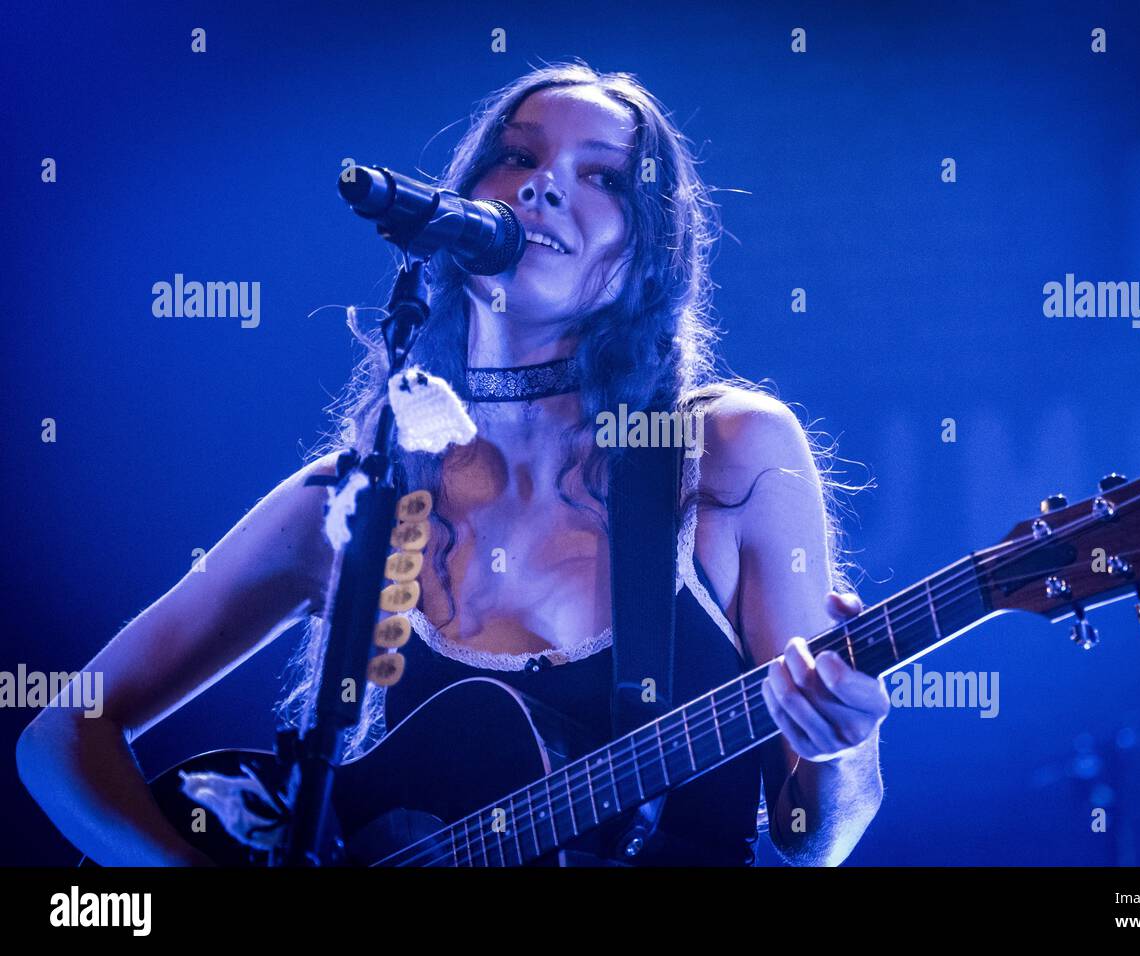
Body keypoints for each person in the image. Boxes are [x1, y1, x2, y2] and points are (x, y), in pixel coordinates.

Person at [17, 62, 890, 867]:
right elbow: (61, 733)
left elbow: (813, 841)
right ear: (462, 203)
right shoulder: (361, 499)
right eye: (517, 156)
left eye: (604, 177)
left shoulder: (732, 455)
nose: (544, 184)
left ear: (648, 256)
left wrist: (842, 749)